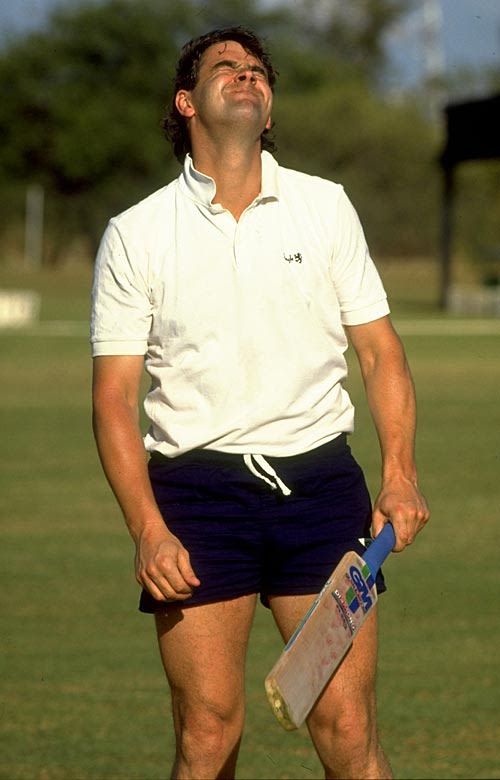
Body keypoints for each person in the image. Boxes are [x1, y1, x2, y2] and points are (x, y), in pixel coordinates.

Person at [90, 25, 429, 780]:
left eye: (258, 72)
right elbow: (113, 397)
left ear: (269, 110)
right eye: (226, 68)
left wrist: (399, 471)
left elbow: (380, 351)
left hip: (320, 490)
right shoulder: (137, 233)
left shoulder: (326, 206)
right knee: (207, 734)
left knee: (346, 726)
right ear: (186, 102)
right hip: (196, 497)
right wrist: (147, 529)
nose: (248, 77)